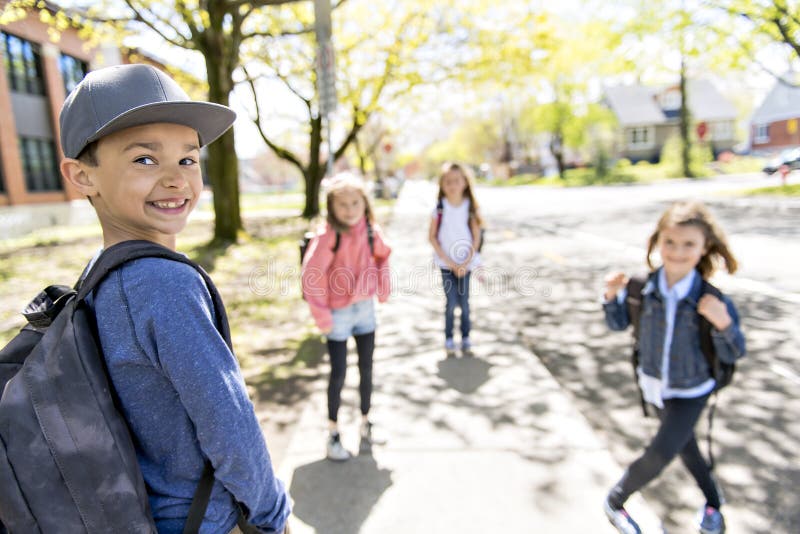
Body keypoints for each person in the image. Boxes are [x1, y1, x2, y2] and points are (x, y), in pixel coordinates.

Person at [58, 64, 290, 534]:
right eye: (145, 159)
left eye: (188, 159)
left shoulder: (101, 274)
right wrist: (273, 517)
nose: (175, 179)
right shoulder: (162, 283)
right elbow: (230, 426)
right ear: (82, 176)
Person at [601, 200, 746, 534]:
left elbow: (735, 351)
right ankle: (713, 501)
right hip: (654, 385)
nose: (678, 251)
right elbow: (618, 324)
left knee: (660, 452)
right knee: (686, 445)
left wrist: (724, 325)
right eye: (670, 242)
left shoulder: (711, 299)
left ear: (704, 247)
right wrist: (611, 298)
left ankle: (615, 499)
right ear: (657, 242)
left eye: (688, 244)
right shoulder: (641, 288)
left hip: (692, 390)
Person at [301, 173, 392, 461]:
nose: (350, 210)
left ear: (365, 204)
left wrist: (382, 287)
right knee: (338, 373)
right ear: (332, 207)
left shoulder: (369, 231)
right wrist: (323, 317)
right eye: (343, 204)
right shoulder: (330, 236)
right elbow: (311, 276)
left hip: (365, 309)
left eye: (356, 203)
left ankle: (366, 420)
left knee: (367, 367)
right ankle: (333, 431)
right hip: (337, 313)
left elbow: (383, 256)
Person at [428, 162, 483, 356]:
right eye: (448, 181)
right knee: (450, 303)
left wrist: (465, 263)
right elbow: (432, 237)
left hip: (465, 265)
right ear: (442, 185)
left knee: (465, 303)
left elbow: (476, 237)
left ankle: (466, 337)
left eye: (457, 181)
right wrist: (451, 264)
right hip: (446, 265)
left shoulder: (470, 208)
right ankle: (449, 338)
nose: (453, 185)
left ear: (465, 183)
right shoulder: (439, 209)